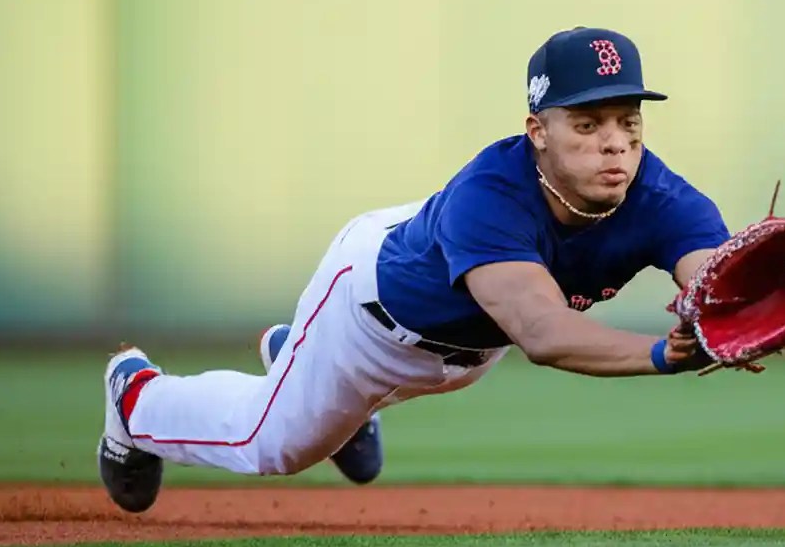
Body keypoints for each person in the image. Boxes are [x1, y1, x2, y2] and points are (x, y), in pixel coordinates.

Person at [97, 26, 732, 513]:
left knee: (412, 379)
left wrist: (743, 308)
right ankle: (137, 398)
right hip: (370, 317)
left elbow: (715, 276)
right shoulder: (490, 196)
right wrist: (663, 355)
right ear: (537, 130)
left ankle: (301, 359)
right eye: (588, 123)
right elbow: (543, 332)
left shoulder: (659, 195)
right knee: (274, 444)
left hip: (471, 343)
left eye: (629, 120)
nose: (615, 142)